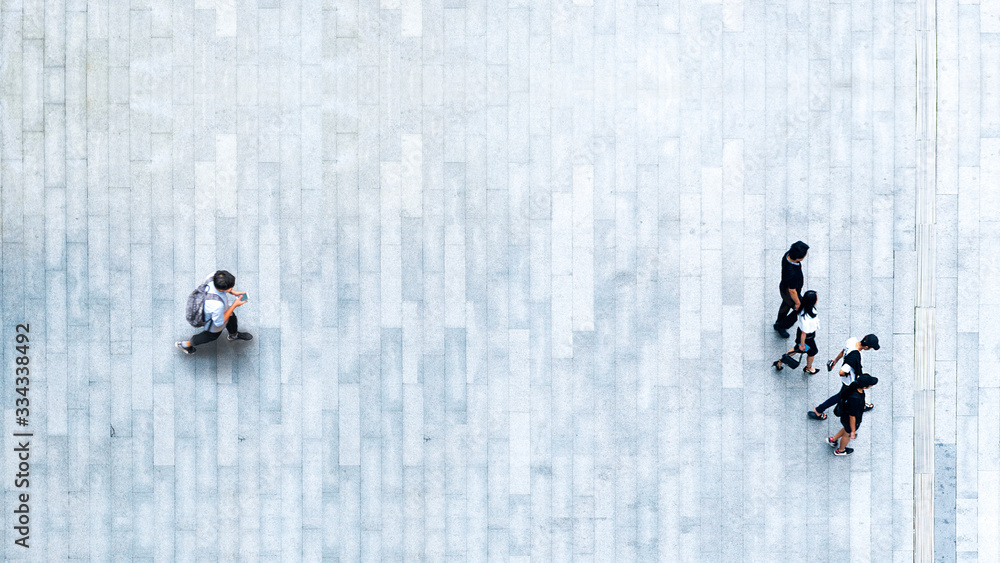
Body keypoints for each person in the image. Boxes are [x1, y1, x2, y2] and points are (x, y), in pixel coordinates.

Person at [175, 270, 252, 354]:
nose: (231, 289)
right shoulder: (216, 305)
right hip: (213, 323)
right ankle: (185, 345)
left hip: (218, 309)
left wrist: (232, 291)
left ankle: (234, 335)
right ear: (222, 289)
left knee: (232, 318)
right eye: (229, 288)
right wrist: (234, 305)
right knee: (210, 336)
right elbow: (219, 322)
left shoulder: (212, 276)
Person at [808, 334, 880, 419]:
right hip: (850, 382)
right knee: (842, 396)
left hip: (849, 380)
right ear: (867, 347)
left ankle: (863, 405)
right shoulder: (854, 356)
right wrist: (848, 374)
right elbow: (841, 372)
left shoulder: (852, 340)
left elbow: (843, 351)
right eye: (871, 348)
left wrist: (835, 360)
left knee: (851, 394)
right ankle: (819, 410)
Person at [827, 374, 878, 456]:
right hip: (849, 419)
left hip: (845, 416)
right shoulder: (855, 399)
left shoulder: (854, 386)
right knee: (847, 435)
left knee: (846, 429)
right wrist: (853, 431)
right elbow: (852, 416)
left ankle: (833, 439)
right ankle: (840, 450)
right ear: (865, 387)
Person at [772, 290, 820, 373]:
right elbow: (804, 333)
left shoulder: (803, 308)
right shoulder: (807, 317)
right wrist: (802, 344)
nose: (818, 299)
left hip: (803, 334)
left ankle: (780, 361)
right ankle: (808, 368)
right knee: (812, 352)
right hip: (807, 338)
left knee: (796, 349)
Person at [773, 241, 809, 338]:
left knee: (785, 304)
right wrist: (797, 303)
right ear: (798, 258)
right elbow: (792, 291)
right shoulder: (791, 273)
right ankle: (781, 325)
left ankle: (779, 321)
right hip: (790, 293)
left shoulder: (788, 255)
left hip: (784, 288)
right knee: (802, 308)